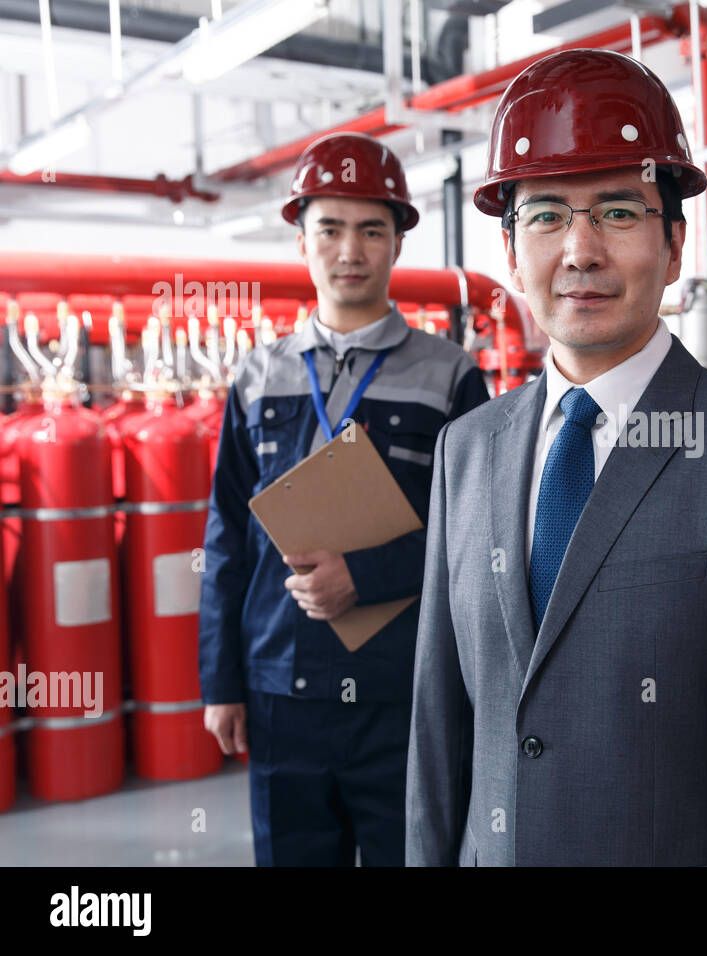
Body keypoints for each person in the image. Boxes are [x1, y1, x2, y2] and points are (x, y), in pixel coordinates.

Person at [405, 49, 707, 867]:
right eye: (546, 215)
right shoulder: (466, 449)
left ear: (675, 242)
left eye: (618, 212)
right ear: (513, 253)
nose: (580, 251)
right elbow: (440, 731)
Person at [198, 131, 490, 866]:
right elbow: (227, 535)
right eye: (329, 228)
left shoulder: (449, 376)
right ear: (302, 239)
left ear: (396, 243)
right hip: (279, 689)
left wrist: (369, 575)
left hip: (403, 691)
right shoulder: (256, 376)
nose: (350, 249)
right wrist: (221, 682)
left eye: (371, 229)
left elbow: (475, 533)